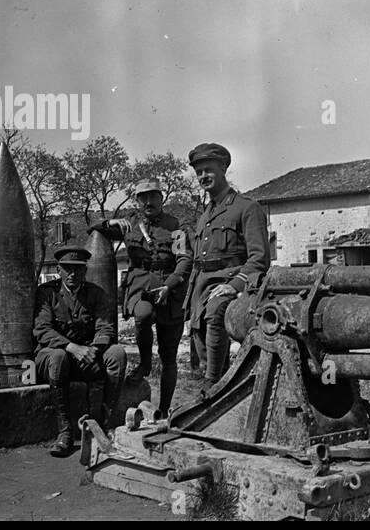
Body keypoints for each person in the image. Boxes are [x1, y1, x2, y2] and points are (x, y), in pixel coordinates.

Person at [89, 179, 190, 416]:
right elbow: (93, 229)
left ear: (161, 198)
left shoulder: (176, 226)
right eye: (143, 197)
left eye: (153, 196)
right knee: (142, 315)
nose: (148, 202)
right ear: (137, 200)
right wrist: (109, 221)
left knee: (169, 356)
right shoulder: (129, 224)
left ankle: (164, 410)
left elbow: (184, 260)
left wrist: (169, 285)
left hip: (170, 290)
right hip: (141, 287)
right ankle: (145, 363)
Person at [183, 143, 271, 384]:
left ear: (223, 167)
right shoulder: (204, 217)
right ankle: (211, 382)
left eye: (208, 170)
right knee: (198, 335)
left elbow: (259, 258)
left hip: (229, 283)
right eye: (198, 172)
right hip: (202, 287)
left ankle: (214, 385)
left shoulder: (247, 208)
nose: (203, 177)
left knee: (215, 312)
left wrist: (234, 285)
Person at [34, 247, 127, 457]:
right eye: (67, 269)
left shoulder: (95, 293)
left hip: (86, 356)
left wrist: (94, 350)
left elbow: (105, 327)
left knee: (117, 354)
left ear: (85, 270)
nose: (72, 274)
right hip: (53, 356)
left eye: (78, 269)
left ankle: (102, 424)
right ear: (58, 270)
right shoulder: (47, 293)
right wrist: (72, 348)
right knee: (58, 357)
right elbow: (42, 330)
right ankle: (65, 432)